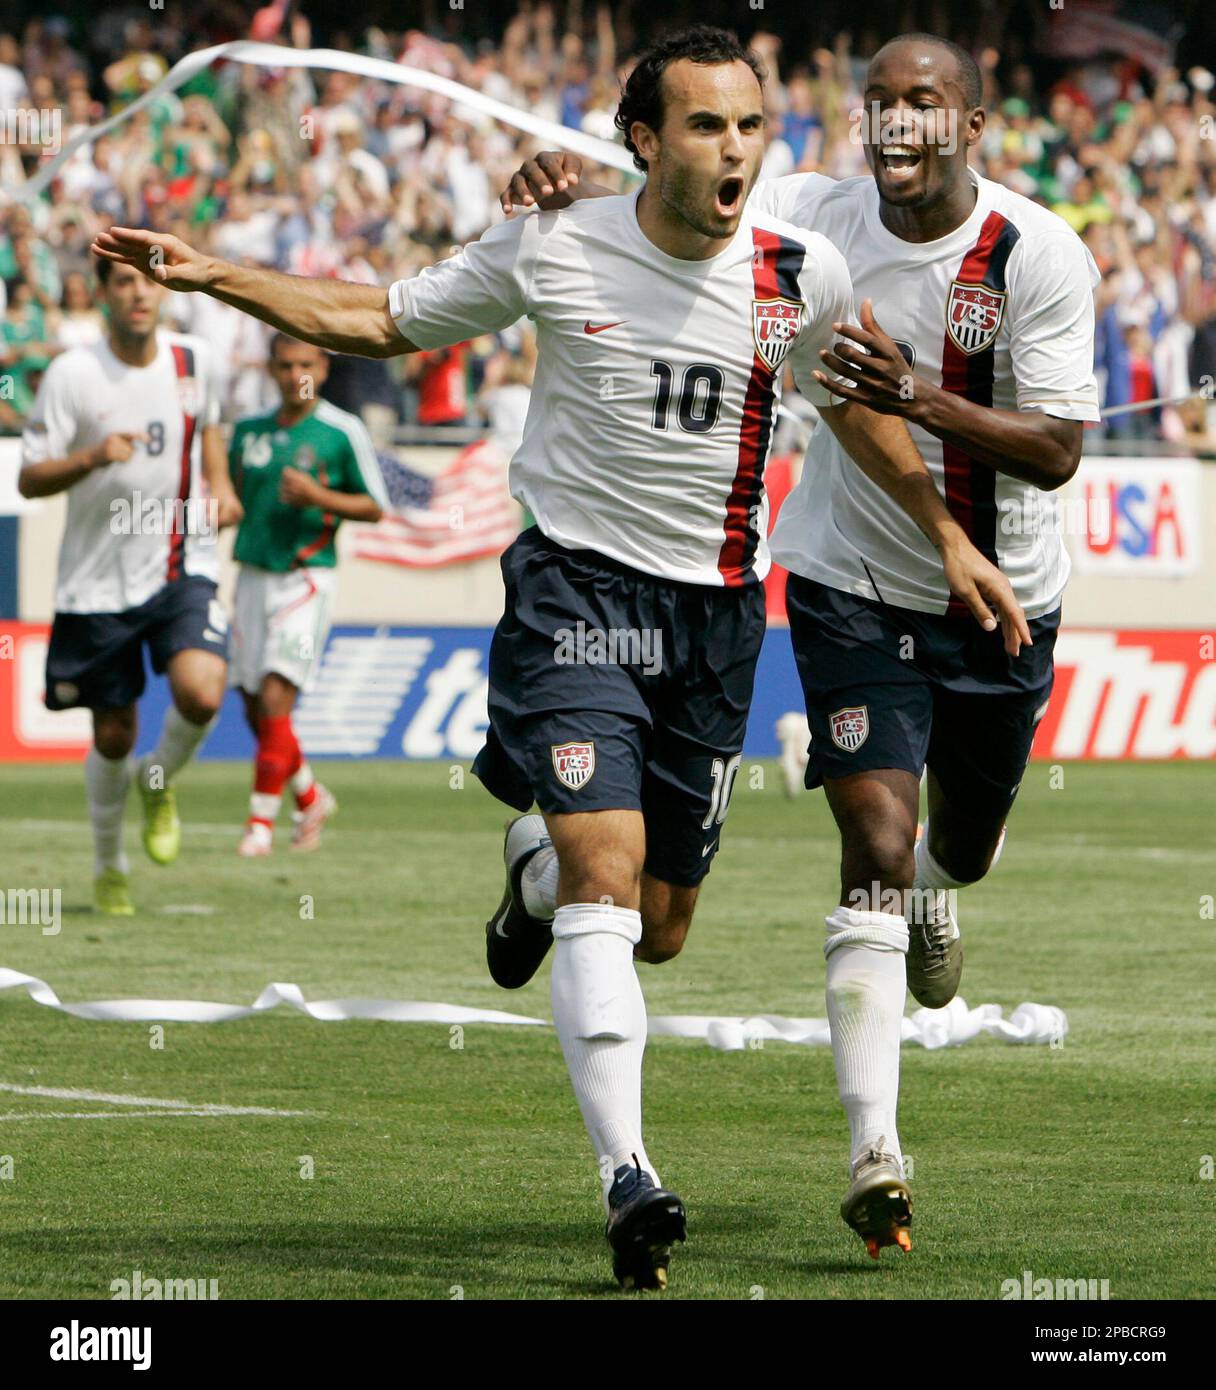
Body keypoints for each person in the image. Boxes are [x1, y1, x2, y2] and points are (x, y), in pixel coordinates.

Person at [91, 25, 1026, 1289]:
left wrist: (947, 538)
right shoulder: (553, 241)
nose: (733, 148)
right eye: (704, 125)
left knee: (660, 925)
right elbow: (379, 315)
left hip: (713, 622)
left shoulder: (797, 271)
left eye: (750, 126)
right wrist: (215, 274)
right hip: (573, 596)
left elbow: (852, 407)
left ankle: (528, 874)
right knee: (609, 868)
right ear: (643, 141)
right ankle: (627, 1176)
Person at [503, 30, 1099, 1258]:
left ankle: (934, 894)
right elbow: (661, 196)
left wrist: (915, 396)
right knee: (873, 841)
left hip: (1000, 595)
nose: (895, 123)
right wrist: (560, 189)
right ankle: (875, 1145)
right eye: (877, 102)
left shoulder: (1040, 253)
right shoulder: (798, 209)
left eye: (922, 104)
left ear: (970, 125)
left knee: (952, 854)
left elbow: (1052, 451)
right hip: (844, 577)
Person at [18, 255, 241, 915]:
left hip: (181, 561)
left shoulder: (194, 360)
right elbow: (29, 477)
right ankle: (108, 863)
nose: (140, 292)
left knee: (201, 691)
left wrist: (222, 487)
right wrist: (91, 456)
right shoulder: (73, 373)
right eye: (124, 281)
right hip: (96, 583)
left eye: (150, 279)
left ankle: (159, 780)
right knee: (113, 734)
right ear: (103, 293)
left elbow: (211, 434)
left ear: (164, 288)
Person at [228, 333, 386, 856]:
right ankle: (311, 796)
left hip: (307, 578)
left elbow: (375, 505)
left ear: (322, 367)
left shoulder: (342, 431)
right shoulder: (248, 431)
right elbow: (227, 493)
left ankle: (259, 825)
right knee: (255, 707)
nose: (296, 373)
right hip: (251, 576)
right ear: (271, 370)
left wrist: (318, 496)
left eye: (306, 364)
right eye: (284, 364)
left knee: (277, 695)